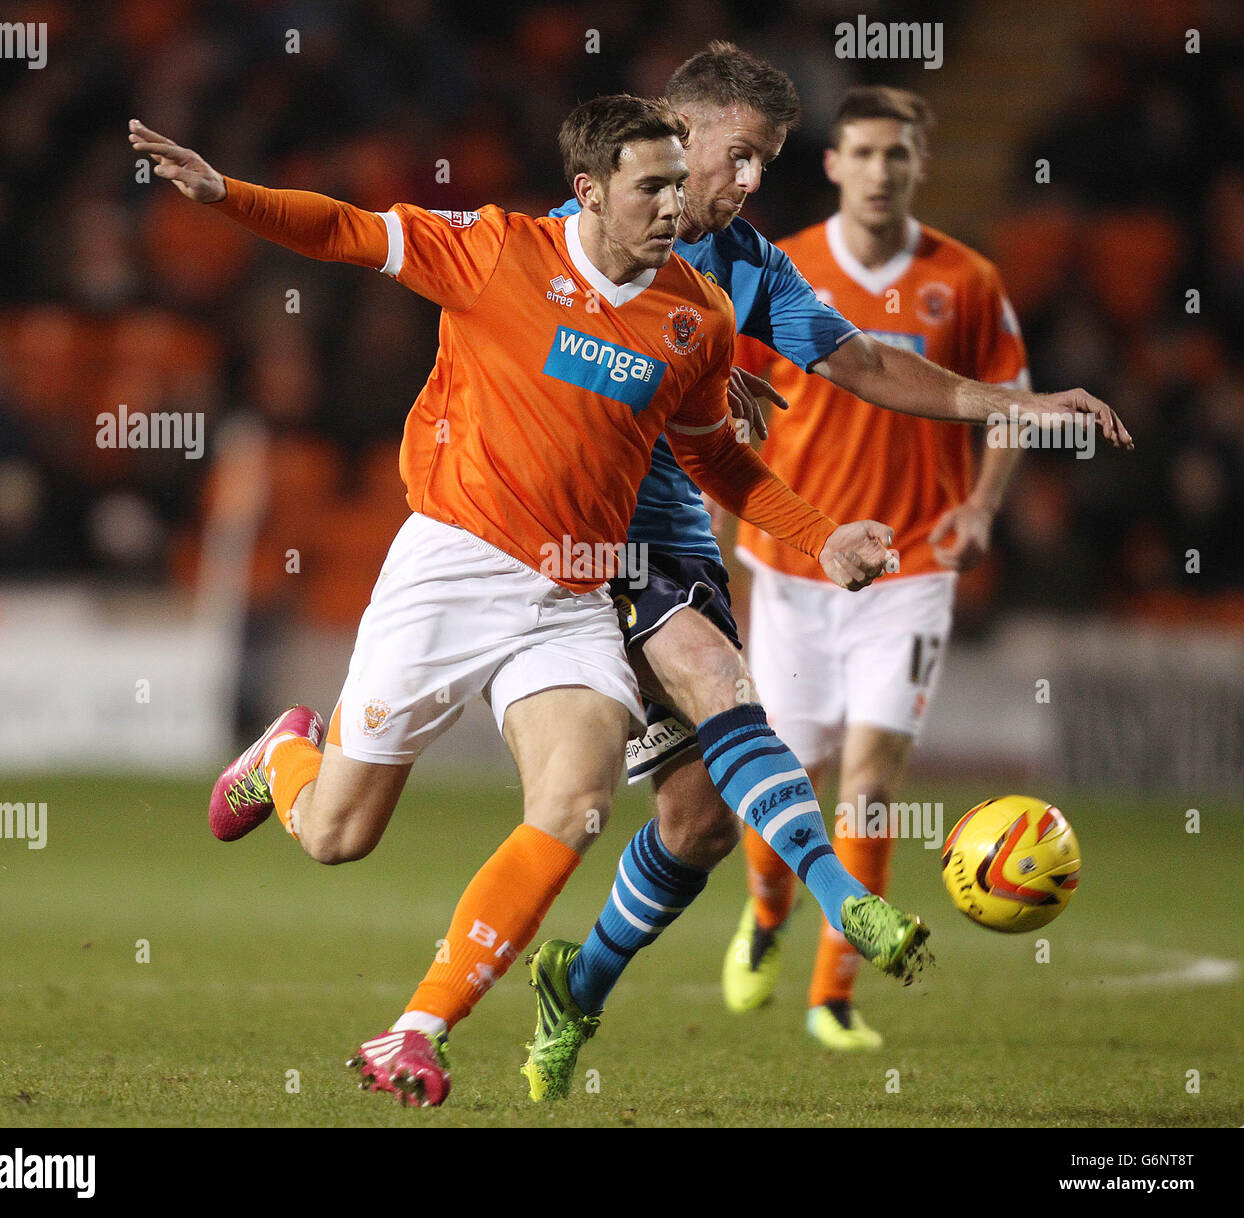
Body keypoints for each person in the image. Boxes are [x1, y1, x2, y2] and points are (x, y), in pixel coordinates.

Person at [127, 95, 900, 1108]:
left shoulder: (693, 320)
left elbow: (719, 462)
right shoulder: (496, 252)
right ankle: (285, 756)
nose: (675, 205)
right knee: (335, 837)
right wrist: (225, 193)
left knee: (576, 805)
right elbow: (346, 230)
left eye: (678, 182)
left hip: (578, 588)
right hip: (453, 567)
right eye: (652, 187)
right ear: (589, 191)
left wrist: (822, 532)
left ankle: (414, 1030)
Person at [525, 43, 1130, 1100]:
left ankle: (574, 990)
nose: (752, 182)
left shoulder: (752, 264)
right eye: (740, 158)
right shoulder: (568, 238)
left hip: (667, 532)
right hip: (546, 525)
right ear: (675, 131)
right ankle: (837, 894)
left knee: (700, 819)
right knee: (371, 813)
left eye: (766, 163)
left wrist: (1019, 407)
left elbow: (863, 363)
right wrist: (693, 380)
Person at [720, 84, 1031, 1050]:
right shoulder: (782, 269)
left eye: (897, 154)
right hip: (795, 564)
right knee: (789, 774)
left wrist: (980, 505)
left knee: (871, 780)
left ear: (917, 166)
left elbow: (1008, 401)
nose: (880, 170)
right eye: (862, 151)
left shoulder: (966, 281)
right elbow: (718, 385)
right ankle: (767, 912)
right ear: (833, 164)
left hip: (912, 567)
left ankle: (831, 995)